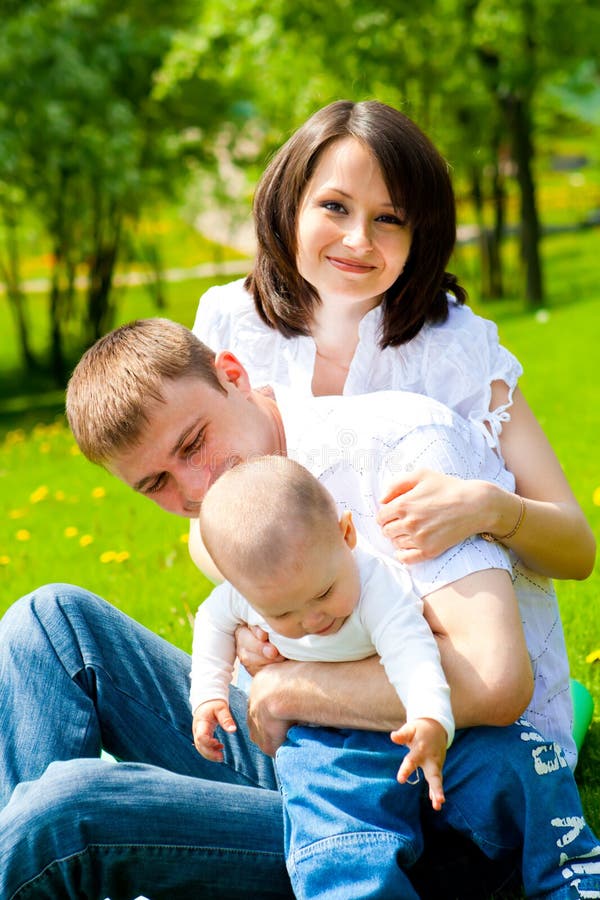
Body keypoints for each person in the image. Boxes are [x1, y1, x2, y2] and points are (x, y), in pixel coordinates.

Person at [50, 317, 596, 899]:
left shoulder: (402, 448)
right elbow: (219, 608)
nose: (194, 489)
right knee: (54, 622)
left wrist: (285, 687)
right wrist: (226, 675)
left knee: (68, 814)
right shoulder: (234, 510)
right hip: (303, 759)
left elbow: (495, 681)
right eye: (155, 483)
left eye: (193, 444)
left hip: (432, 781)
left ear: (232, 375)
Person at [191, 99, 595, 780]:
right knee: (57, 624)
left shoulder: (457, 350)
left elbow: (577, 550)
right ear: (289, 204)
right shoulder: (233, 324)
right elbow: (208, 525)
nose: (358, 240)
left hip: (451, 688)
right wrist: (269, 609)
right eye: (335, 207)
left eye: (389, 219)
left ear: (420, 234)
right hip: (300, 666)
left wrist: (489, 508)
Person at [192, 455, 454, 816]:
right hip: (309, 734)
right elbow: (212, 619)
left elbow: (413, 655)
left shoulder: (378, 589)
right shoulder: (252, 594)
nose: (313, 619)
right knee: (324, 793)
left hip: (386, 723)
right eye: (283, 613)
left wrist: (428, 717)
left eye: (324, 593)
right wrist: (208, 694)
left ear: (346, 535)